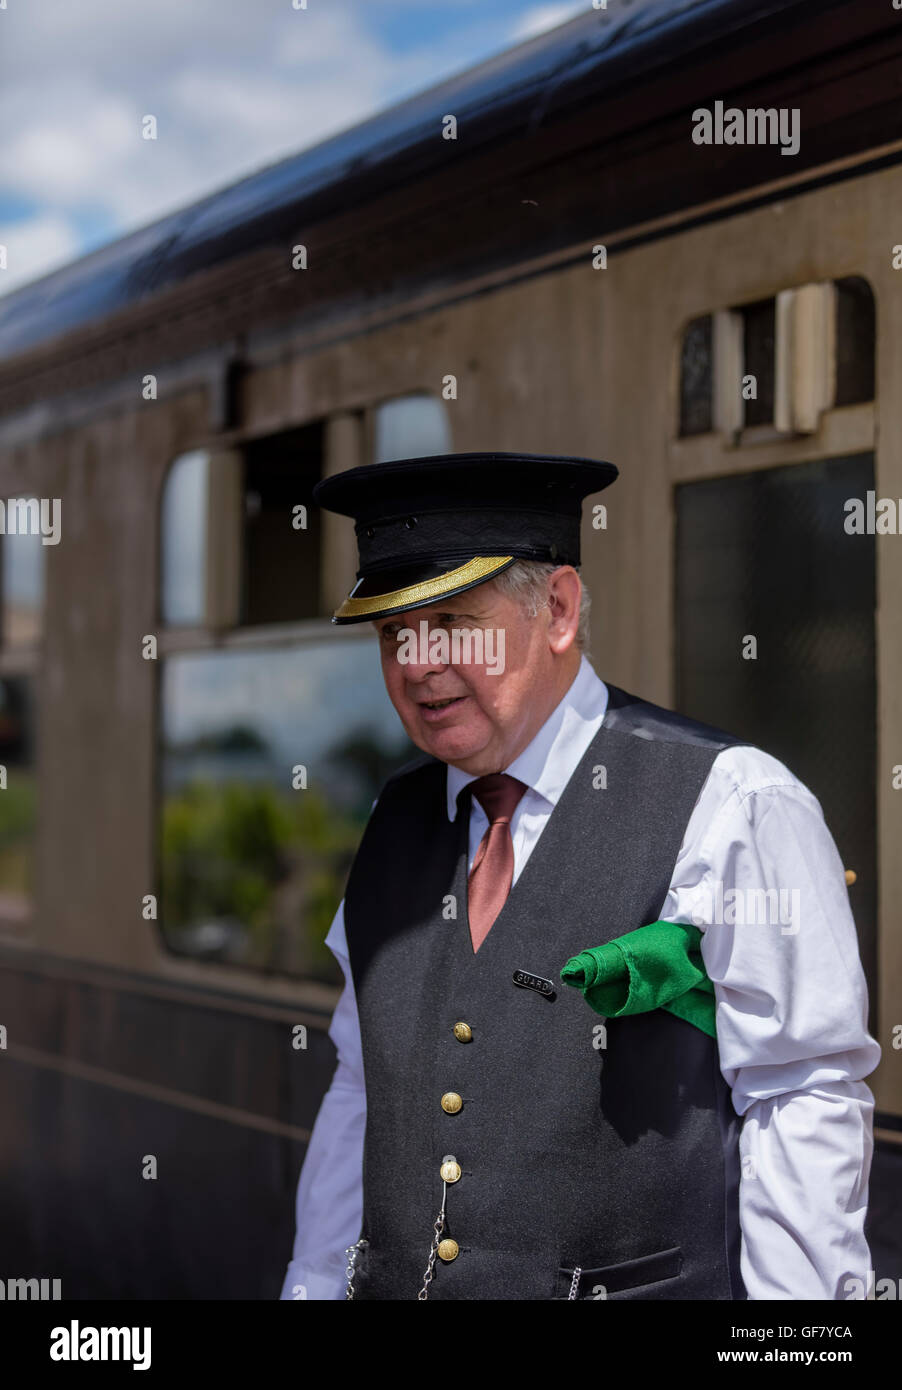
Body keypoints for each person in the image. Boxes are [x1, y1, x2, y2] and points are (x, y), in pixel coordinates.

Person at [280, 451, 879, 1301]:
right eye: (394, 634)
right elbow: (359, 1084)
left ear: (558, 610)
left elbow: (803, 1093)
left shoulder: (733, 800)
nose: (417, 664)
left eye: (453, 624)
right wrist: (311, 1289)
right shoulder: (393, 819)